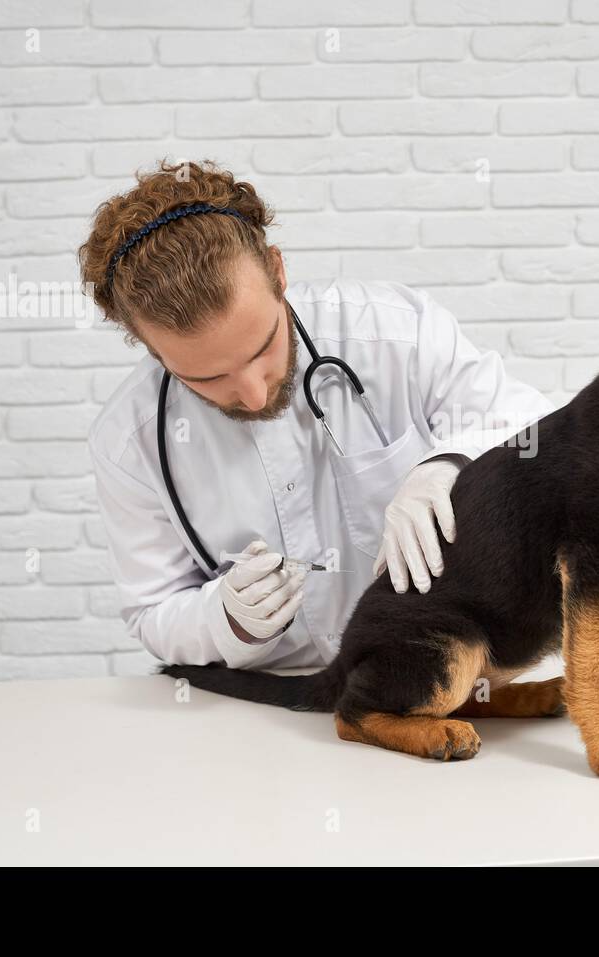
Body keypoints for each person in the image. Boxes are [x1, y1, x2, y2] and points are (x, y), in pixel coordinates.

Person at [80, 159, 554, 670]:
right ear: (152, 351)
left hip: (449, 677)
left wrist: (448, 464)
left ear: (278, 272)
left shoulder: (396, 332)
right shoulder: (129, 441)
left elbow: (532, 424)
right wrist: (225, 617)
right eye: (208, 379)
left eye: (263, 348)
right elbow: (153, 611)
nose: (254, 395)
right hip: (272, 705)